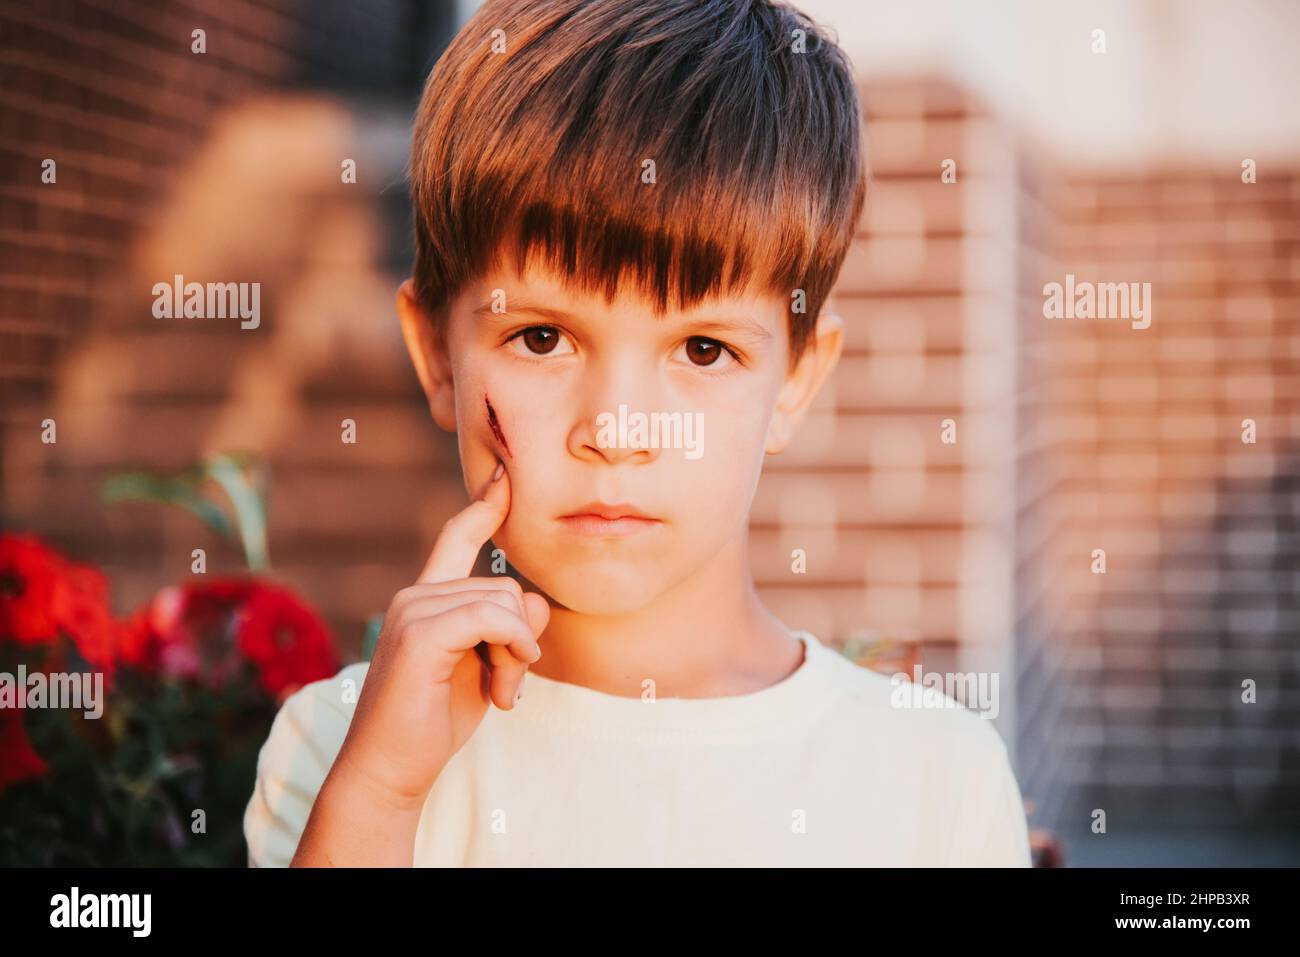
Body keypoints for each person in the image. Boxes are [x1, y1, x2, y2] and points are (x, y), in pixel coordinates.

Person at [244, 0, 1031, 867]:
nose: (617, 431)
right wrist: (381, 794)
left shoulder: (933, 782)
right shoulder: (343, 755)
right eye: (541, 338)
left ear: (798, 376)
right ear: (438, 356)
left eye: (702, 348)